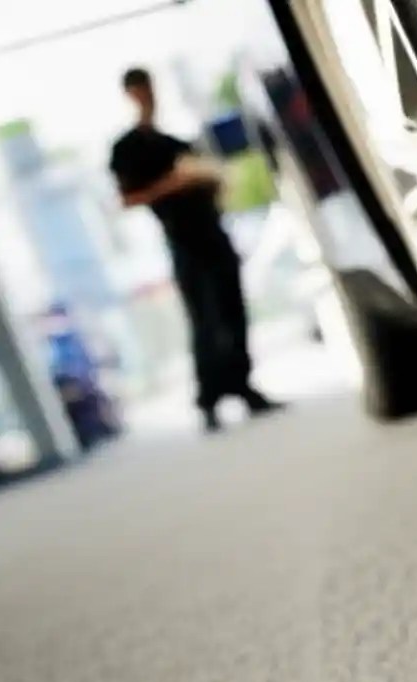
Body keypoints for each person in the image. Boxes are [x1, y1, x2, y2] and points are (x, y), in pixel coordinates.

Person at [109, 67, 280, 433]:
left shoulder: (176, 142)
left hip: (212, 232)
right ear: (130, 95)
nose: (147, 97)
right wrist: (173, 183)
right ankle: (209, 398)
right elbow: (128, 198)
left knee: (232, 311)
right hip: (182, 240)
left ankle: (243, 385)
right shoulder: (128, 149)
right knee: (203, 320)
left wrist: (210, 182)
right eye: (140, 91)